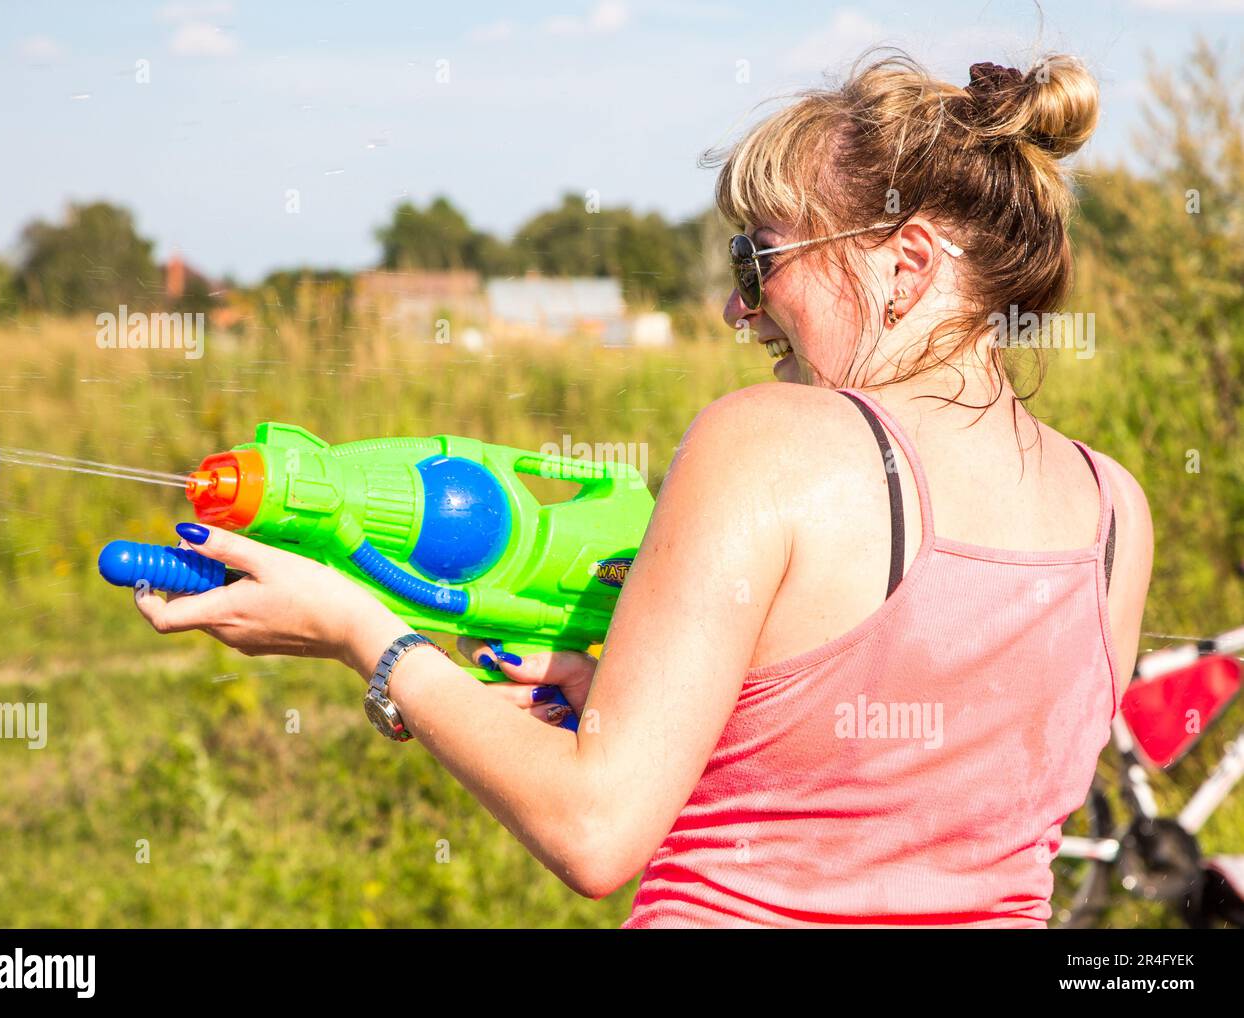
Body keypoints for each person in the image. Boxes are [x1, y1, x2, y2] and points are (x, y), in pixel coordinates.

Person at [136, 50, 1154, 928]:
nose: (732, 306)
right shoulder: (1114, 512)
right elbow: (904, 814)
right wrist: (689, 721)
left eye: (760, 259)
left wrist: (367, 637)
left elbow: (595, 829)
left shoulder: (763, 442)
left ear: (906, 266)